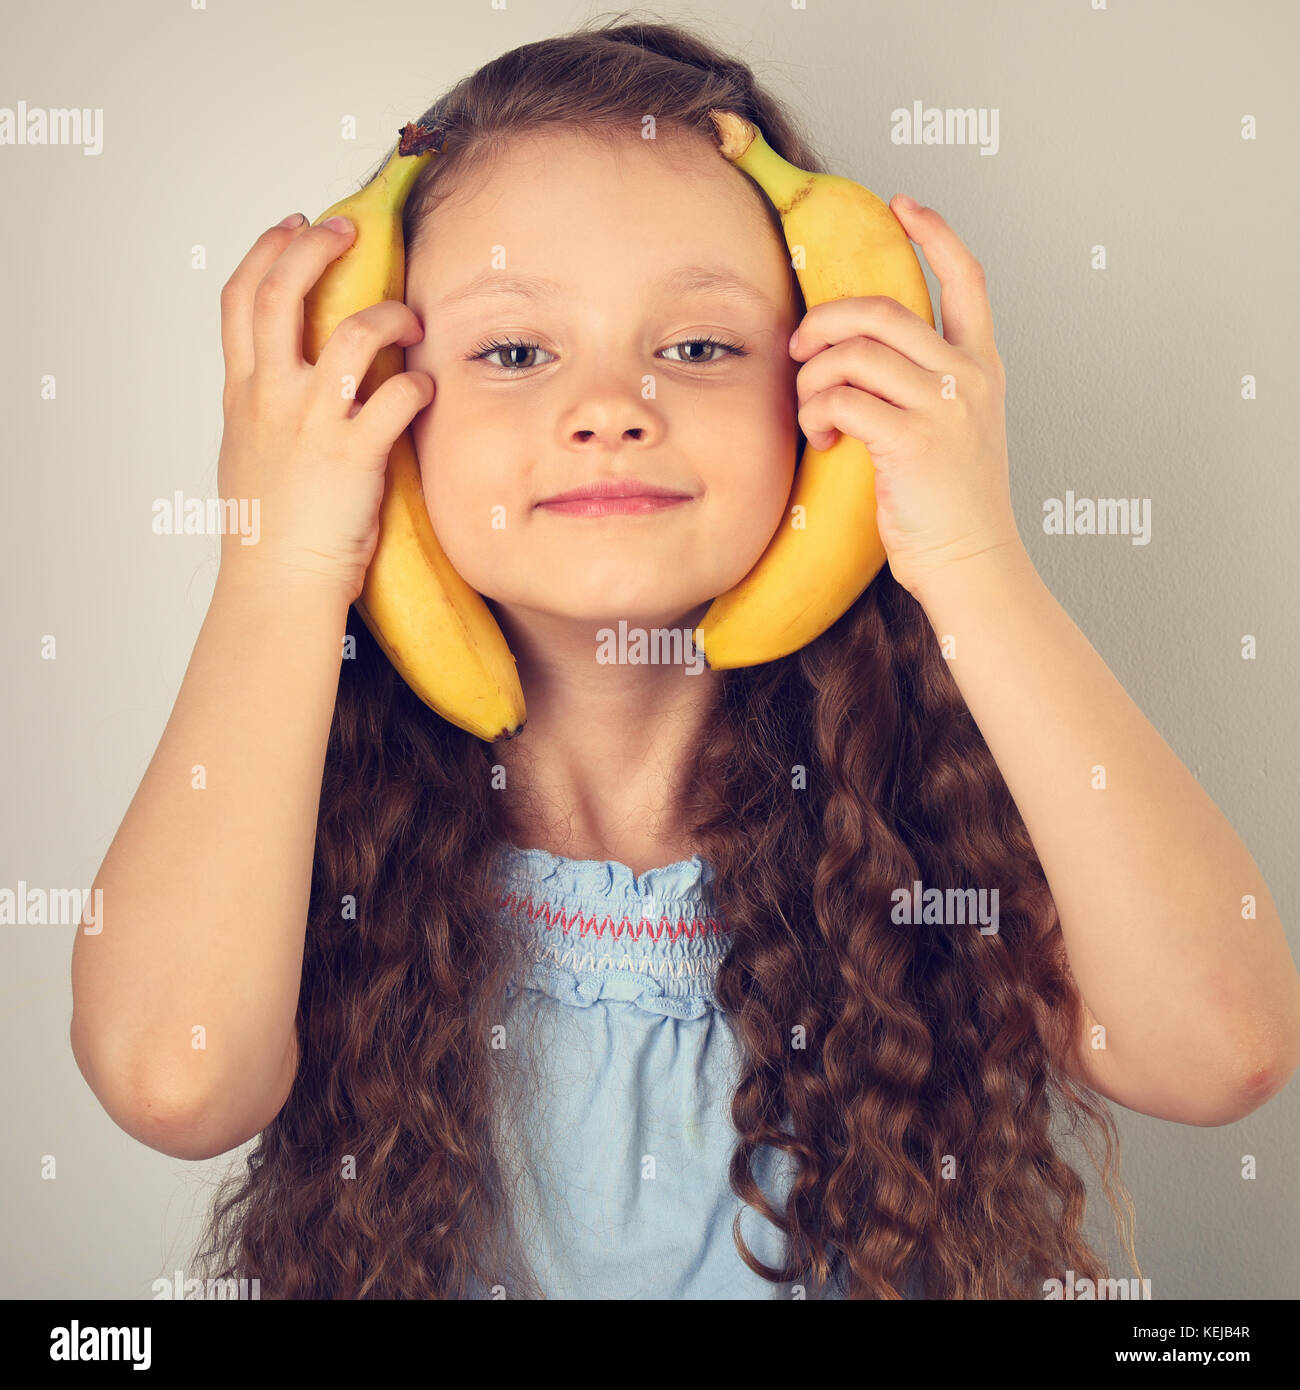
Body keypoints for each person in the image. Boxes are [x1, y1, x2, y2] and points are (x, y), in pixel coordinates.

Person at [70, 14, 1300, 1299]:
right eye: (512, 350)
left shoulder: (926, 823)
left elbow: (1220, 1050)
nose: (611, 404)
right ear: (382, 410)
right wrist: (275, 563)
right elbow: (176, 1077)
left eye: (699, 347)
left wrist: (973, 559)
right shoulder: (307, 822)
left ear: (821, 394)